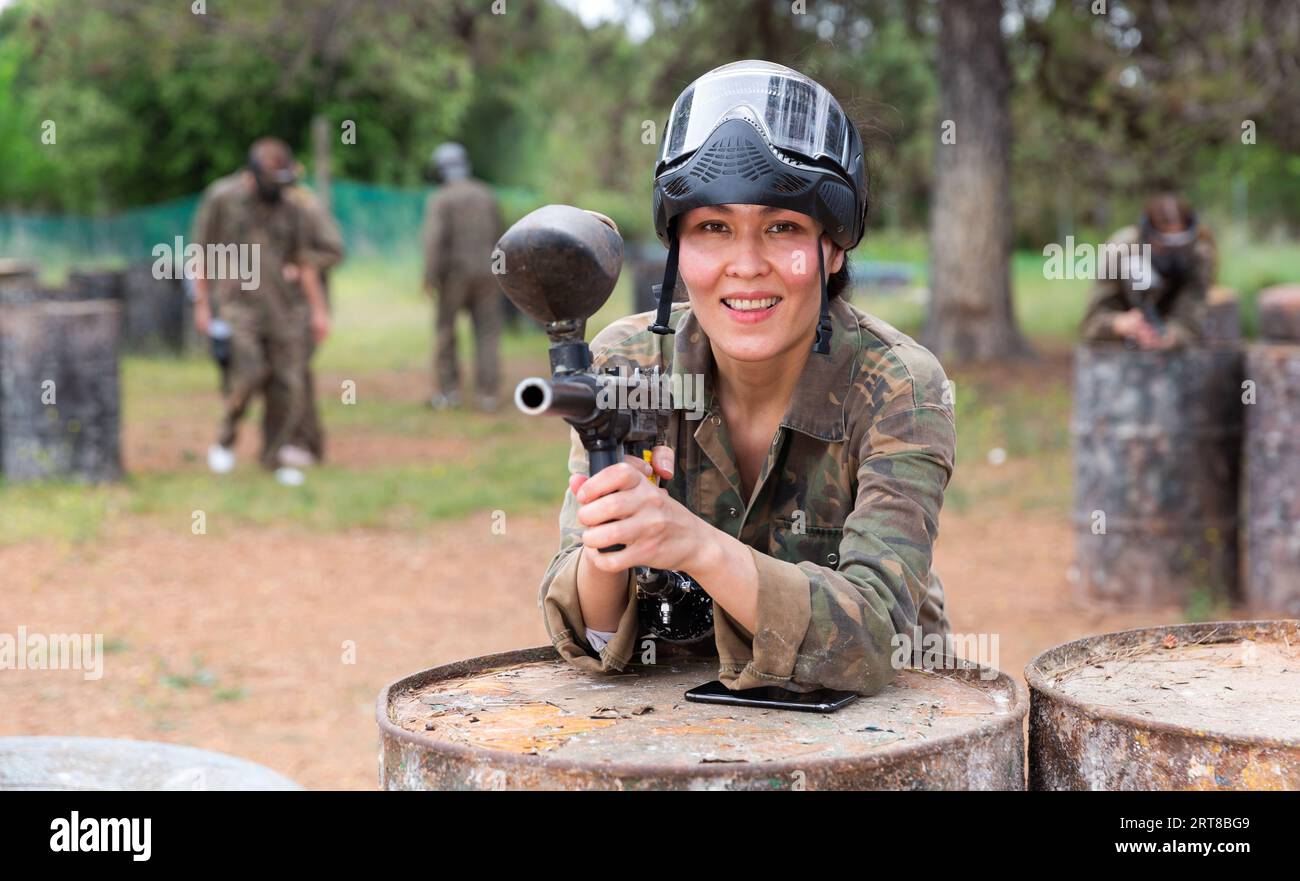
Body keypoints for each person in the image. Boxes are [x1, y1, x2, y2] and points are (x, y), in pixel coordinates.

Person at [536, 60, 955, 696]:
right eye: (713, 228)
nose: (746, 264)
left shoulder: (898, 384)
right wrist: (610, 548)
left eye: (782, 227)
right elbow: (592, 638)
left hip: (889, 732)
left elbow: (876, 638)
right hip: (684, 728)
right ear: (676, 246)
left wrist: (694, 546)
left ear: (834, 245)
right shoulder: (631, 362)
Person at [192, 137, 331, 484]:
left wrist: (318, 311)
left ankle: (273, 457)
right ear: (252, 175)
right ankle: (225, 439)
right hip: (239, 308)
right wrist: (202, 304)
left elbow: (304, 261)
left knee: (288, 385)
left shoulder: (292, 207)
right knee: (250, 374)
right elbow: (200, 252)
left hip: (285, 310)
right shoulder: (222, 199)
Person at [260, 179, 345, 465]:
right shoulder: (266, 209)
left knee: (296, 375)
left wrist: (299, 263)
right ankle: (292, 443)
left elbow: (334, 250)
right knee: (282, 375)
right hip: (275, 307)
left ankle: (305, 444)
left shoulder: (306, 206)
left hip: (304, 307)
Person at [422, 142, 506, 413]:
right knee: (487, 333)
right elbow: (502, 234)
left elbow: (434, 240)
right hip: (489, 275)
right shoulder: (486, 194)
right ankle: (488, 394)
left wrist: (429, 275)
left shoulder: (441, 198)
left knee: (446, 331)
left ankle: (449, 393)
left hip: (453, 276)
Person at [1080, 193, 1217, 349]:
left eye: (1180, 245)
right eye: (1164, 244)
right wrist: (1118, 324)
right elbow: (1091, 324)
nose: (1173, 254)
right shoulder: (1120, 251)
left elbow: (1192, 319)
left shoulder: (1199, 257)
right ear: (1146, 235)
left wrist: (1168, 338)